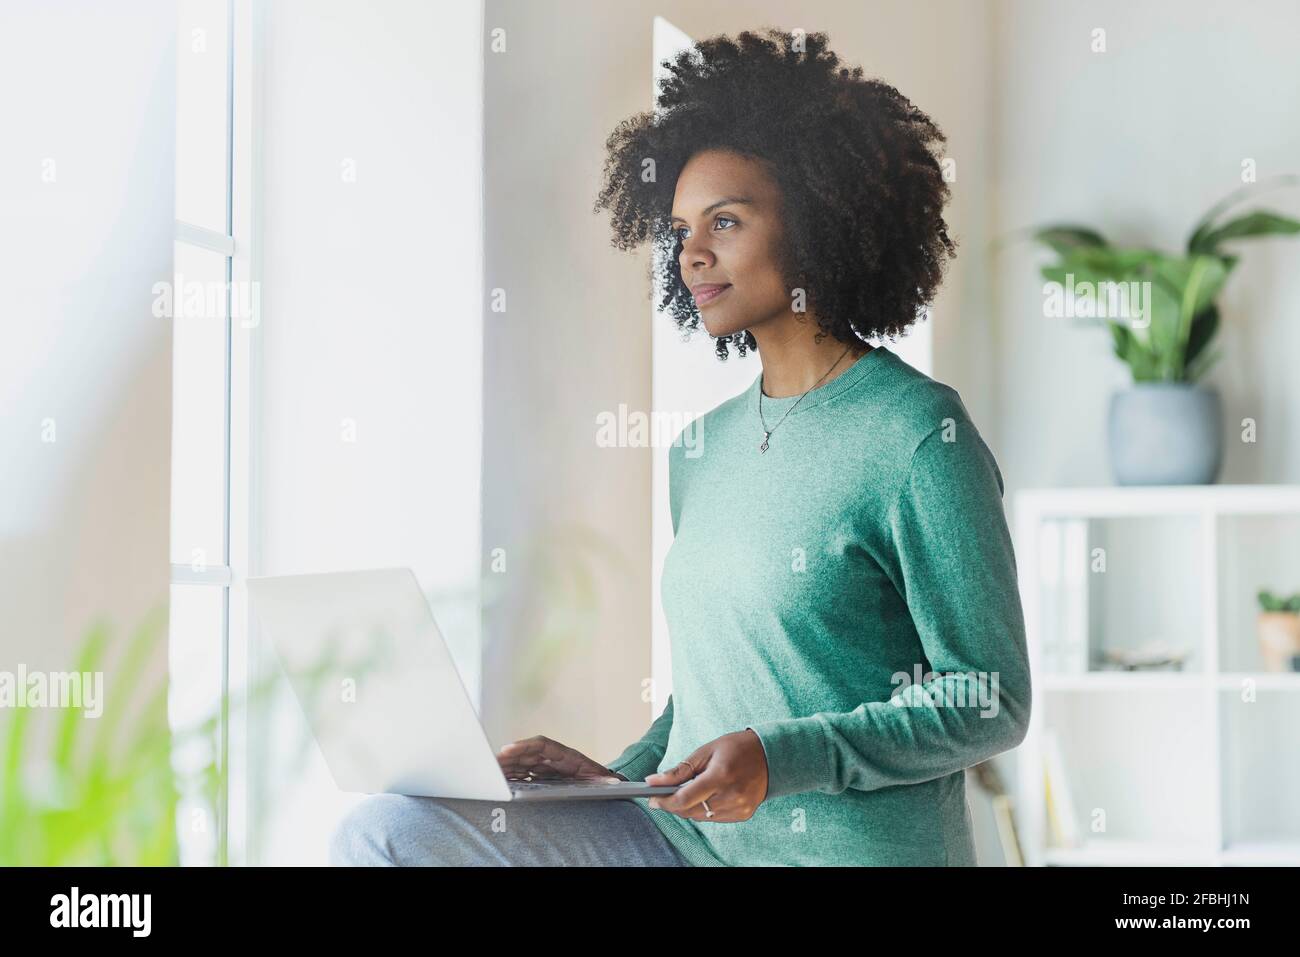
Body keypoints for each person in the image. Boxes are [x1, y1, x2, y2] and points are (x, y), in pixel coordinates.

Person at [330, 25, 1030, 868]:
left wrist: (782, 758)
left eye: (726, 221)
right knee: (388, 829)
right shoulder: (700, 450)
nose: (693, 253)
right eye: (681, 229)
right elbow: (718, 692)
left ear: (816, 222)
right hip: (682, 838)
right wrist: (614, 777)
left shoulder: (918, 435)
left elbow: (990, 699)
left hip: (844, 855)